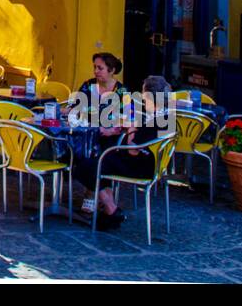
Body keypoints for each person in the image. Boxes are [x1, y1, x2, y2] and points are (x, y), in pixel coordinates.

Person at [71, 69, 174, 231]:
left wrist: (132, 128)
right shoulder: (167, 115)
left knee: (85, 166)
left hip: (138, 166)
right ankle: (108, 209)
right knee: (101, 160)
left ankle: (111, 209)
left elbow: (133, 149)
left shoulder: (152, 119)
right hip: (154, 165)